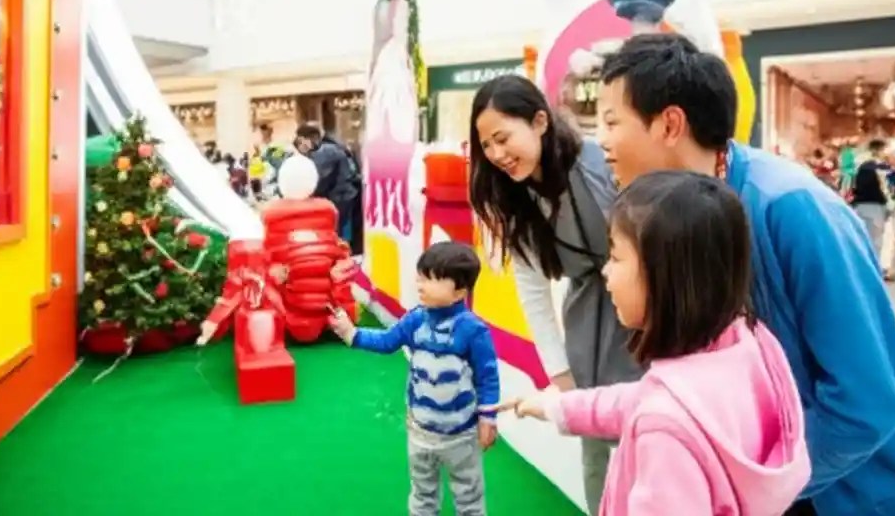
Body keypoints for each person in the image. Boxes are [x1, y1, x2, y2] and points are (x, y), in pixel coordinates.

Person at [596, 34, 895, 516]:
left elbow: (868, 402)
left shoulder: (792, 208)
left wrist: (745, 483)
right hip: (795, 482)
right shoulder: (683, 213)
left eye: (611, 121)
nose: (600, 141)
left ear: (670, 124)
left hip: (874, 493)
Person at [501, 171, 811, 515]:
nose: (605, 272)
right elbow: (642, 398)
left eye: (616, 258)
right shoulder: (745, 345)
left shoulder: (666, 428)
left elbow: (657, 410)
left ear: (664, 274)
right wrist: (554, 407)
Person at [467, 74, 641, 513]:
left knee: (650, 426)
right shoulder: (515, 199)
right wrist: (559, 372)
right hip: (588, 320)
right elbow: (532, 290)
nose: (497, 155)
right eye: (486, 145)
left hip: (646, 307)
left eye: (503, 138)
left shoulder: (601, 164)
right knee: (595, 441)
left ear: (540, 121)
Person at [328, 242, 500, 516]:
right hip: (420, 431)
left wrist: (488, 418)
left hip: (461, 436)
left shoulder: (473, 330)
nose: (420, 284)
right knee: (422, 495)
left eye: (431, 279)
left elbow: (487, 376)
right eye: (420, 276)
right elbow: (387, 341)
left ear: (459, 291)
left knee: (468, 496)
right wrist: (352, 334)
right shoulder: (415, 320)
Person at [294, 124, 360, 239]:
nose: (301, 146)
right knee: (343, 232)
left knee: (339, 234)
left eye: (302, 141)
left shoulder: (325, 152)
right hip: (345, 195)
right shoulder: (332, 147)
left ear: (312, 138)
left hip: (339, 198)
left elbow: (318, 179)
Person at [851, 139, 895, 281]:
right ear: (881, 150)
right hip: (878, 206)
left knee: (863, 237)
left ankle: (860, 268)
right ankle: (876, 270)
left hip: (860, 205)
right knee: (879, 240)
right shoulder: (885, 169)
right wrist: (894, 202)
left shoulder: (861, 167)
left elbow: (852, 186)